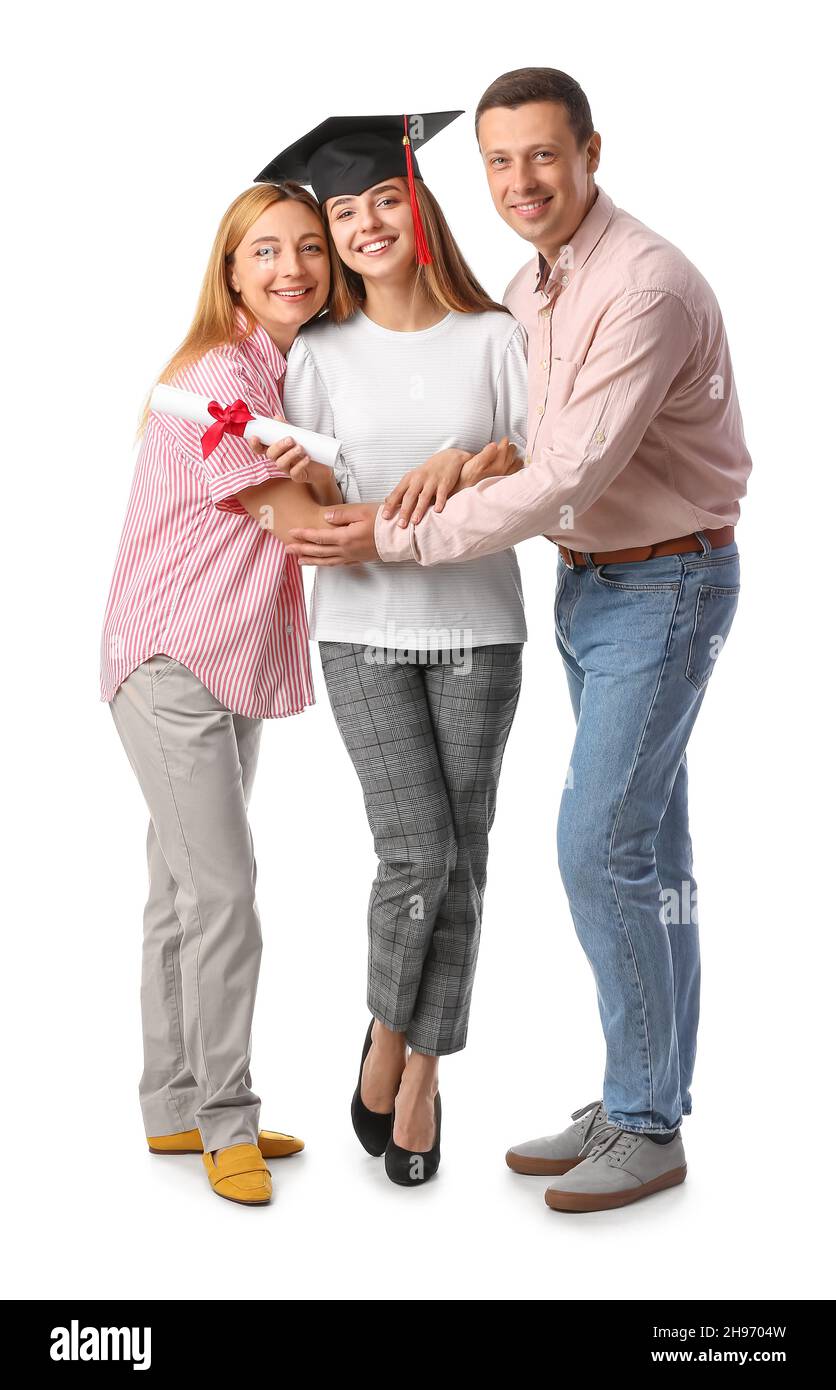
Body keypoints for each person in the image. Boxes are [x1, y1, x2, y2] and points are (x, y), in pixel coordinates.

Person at [286, 71, 752, 1213]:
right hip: (593, 592)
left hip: (663, 582)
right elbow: (537, 441)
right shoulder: (534, 287)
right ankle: (644, 1093)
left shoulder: (637, 285)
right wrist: (475, 457)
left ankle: (644, 1121)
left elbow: (569, 471)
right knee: (653, 860)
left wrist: (399, 532)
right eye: (497, 162)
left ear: (590, 152)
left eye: (540, 157)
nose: (518, 182)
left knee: (597, 851)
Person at [245, 111, 528, 1186]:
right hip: (361, 632)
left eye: (383, 200)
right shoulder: (315, 353)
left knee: (464, 857)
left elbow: (536, 472)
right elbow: (298, 490)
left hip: (479, 631)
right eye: (343, 211)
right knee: (419, 855)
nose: (365, 224)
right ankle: (391, 1031)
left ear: (421, 204)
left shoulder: (497, 337)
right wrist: (308, 507)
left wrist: (477, 460)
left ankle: (415, 1068)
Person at [100, 180, 347, 1206]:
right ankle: (225, 1121)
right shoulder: (217, 379)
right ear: (231, 271)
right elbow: (303, 524)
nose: (292, 267)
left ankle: (171, 1104)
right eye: (266, 253)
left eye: (308, 250)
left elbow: (308, 492)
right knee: (224, 895)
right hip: (171, 666)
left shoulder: (284, 374)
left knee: (179, 891)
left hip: (222, 664)